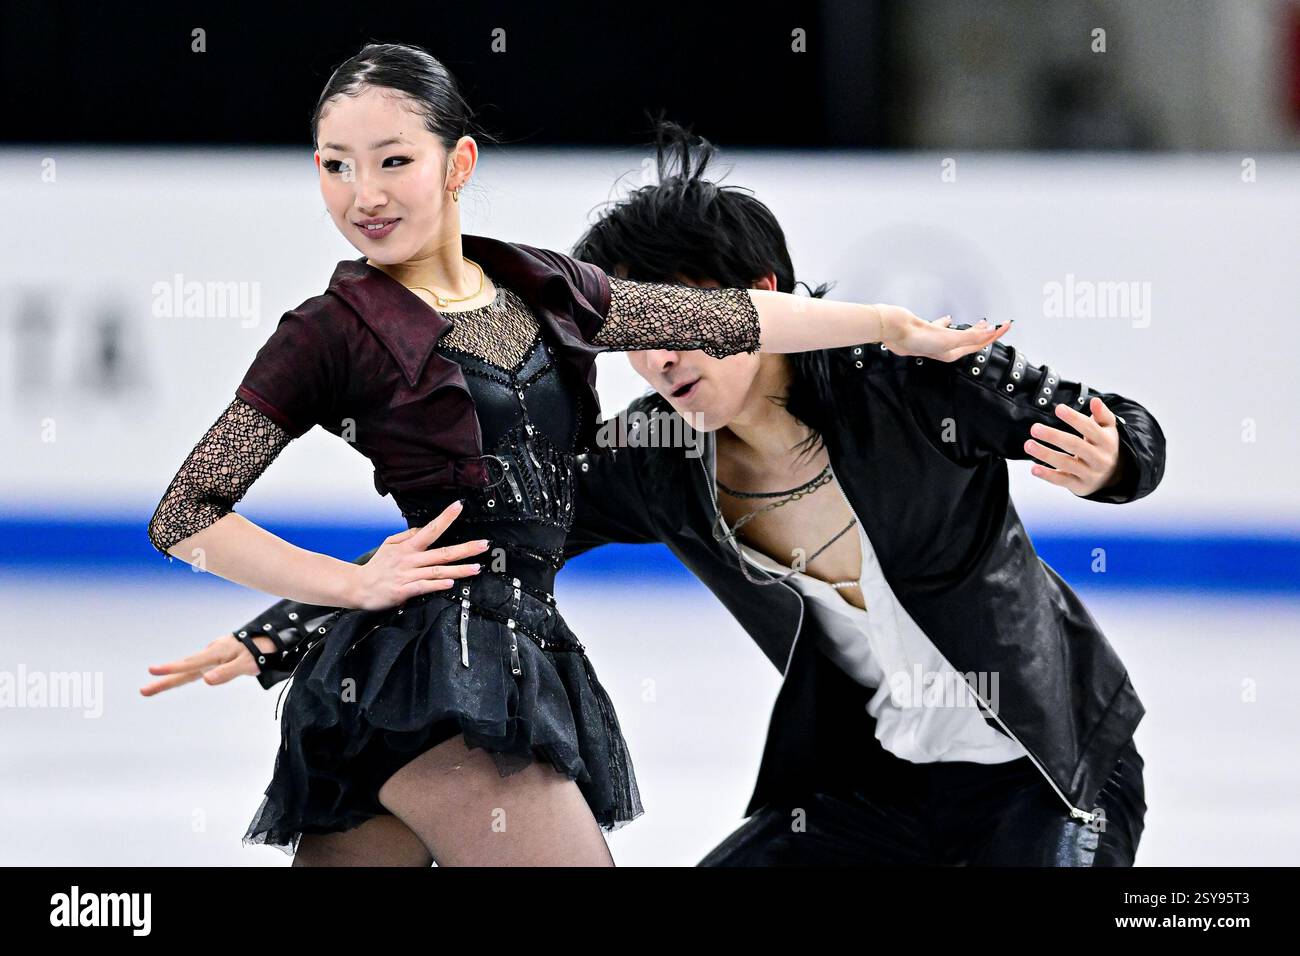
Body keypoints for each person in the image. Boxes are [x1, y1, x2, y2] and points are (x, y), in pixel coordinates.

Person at [143, 48, 1004, 867]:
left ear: (458, 164)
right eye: (335, 165)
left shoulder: (545, 289)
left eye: (392, 160)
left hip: (493, 668)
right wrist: (344, 587)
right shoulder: (325, 334)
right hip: (440, 692)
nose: (362, 193)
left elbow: (725, 319)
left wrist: (889, 325)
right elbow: (185, 514)